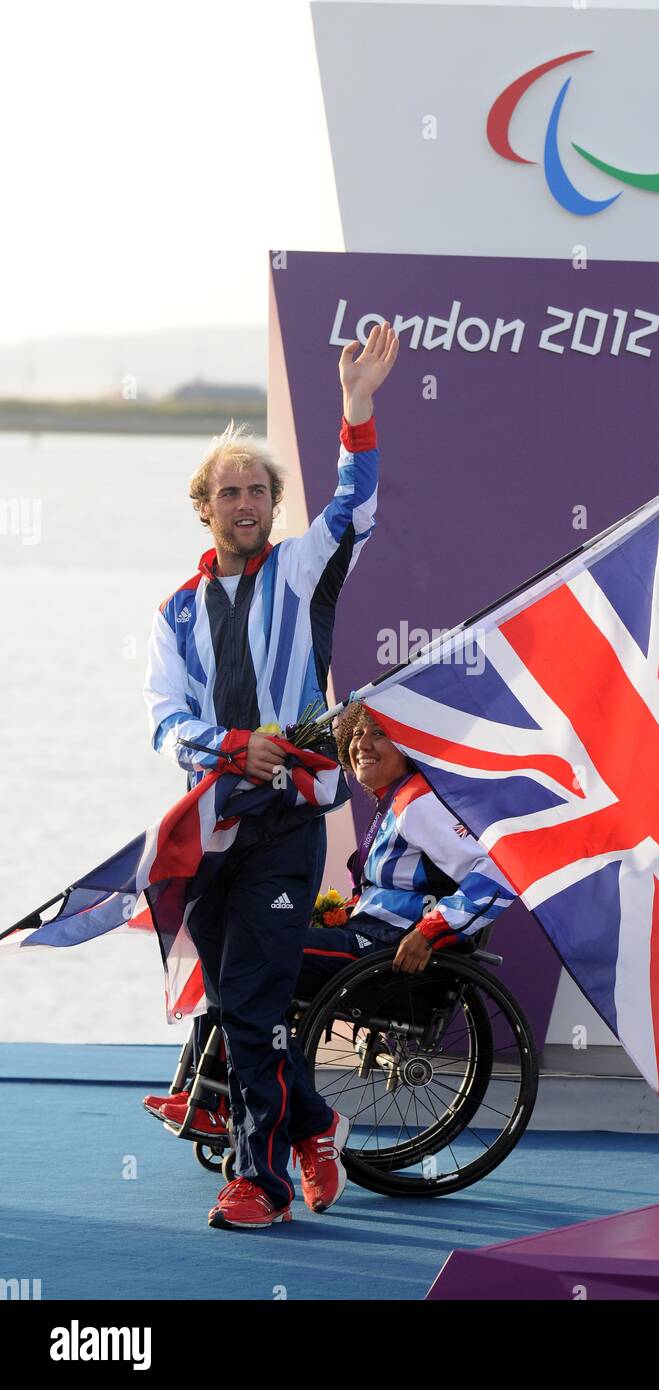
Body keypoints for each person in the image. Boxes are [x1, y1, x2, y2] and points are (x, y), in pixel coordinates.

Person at [140, 323, 400, 1230]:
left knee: (249, 1005)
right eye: (227, 491)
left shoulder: (301, 569)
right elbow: (165, 719)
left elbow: (356, 508)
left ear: (271, 503)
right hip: (211, 824)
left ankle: (258, 1182)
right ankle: (314, 1121)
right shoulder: (176, 611)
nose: (243, 502)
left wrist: (355, 409)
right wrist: (225, 747)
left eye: (256, 490)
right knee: (235, 1001)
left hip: (289, 825)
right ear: (203, 508)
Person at [295, 700, 517, 998]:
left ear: (408, 745)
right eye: (358, 733)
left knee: (265, 948)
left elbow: (499, 872)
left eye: (378, 734)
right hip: (371, 940)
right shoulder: (396, 800)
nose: (362, 744)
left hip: (382, 951)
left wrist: (430, 932)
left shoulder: (418, 801)